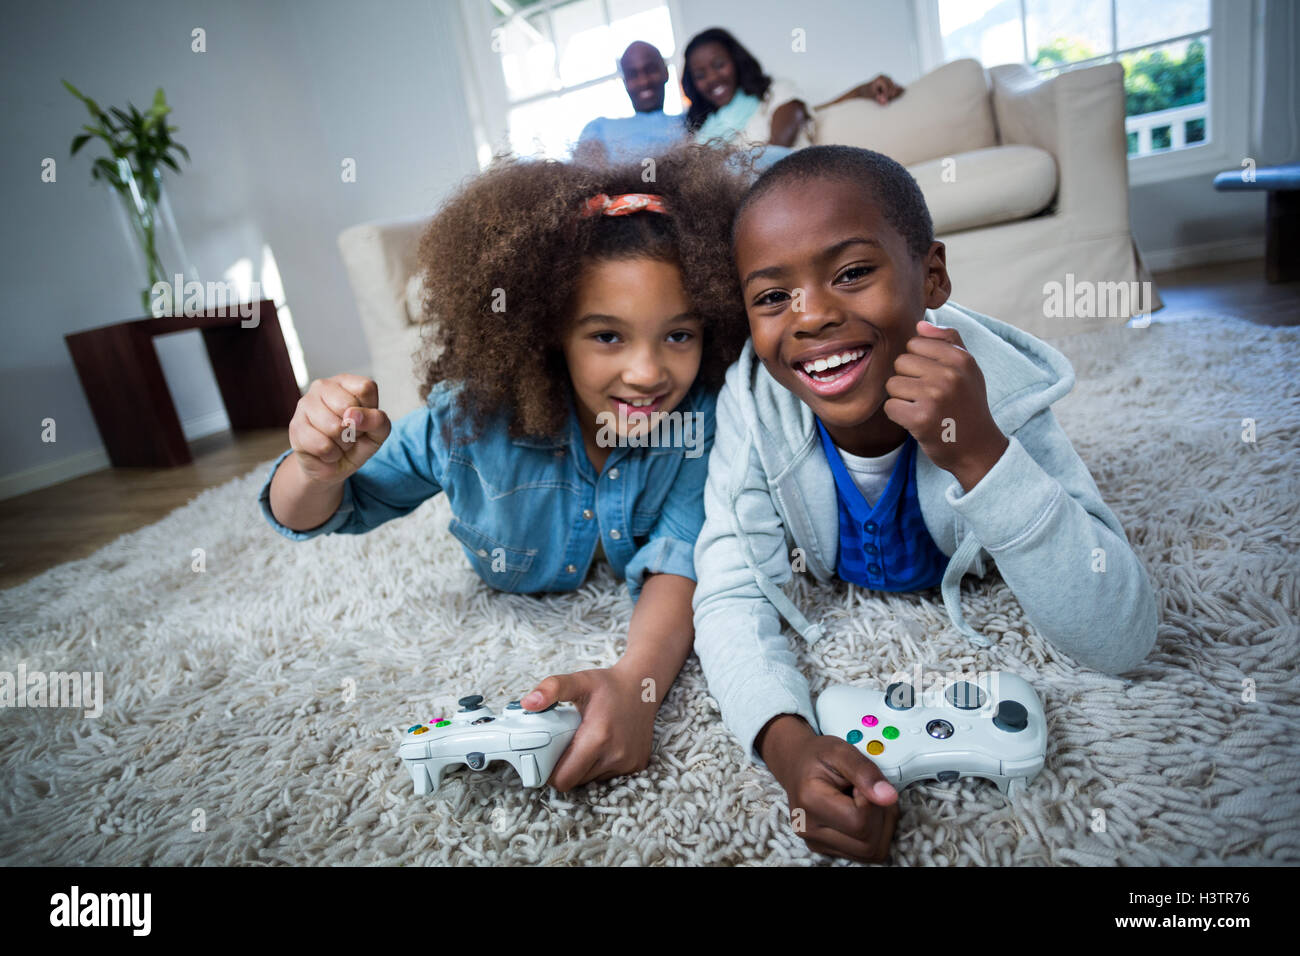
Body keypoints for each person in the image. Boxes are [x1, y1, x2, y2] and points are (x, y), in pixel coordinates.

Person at [691, 145, 1158, 863]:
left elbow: (1121, 638)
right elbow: (727, 593)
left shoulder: (995, 395)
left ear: (931, 275)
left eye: (851, 273)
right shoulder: (755, 404)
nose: (810, 316)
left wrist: (979, 452)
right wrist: (785, 744)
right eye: (772, 297)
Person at [258, 144, 751, 791]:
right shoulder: (469, 423)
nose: (648, 371)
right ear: (548, 333)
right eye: (608, 336)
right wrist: (314, 467)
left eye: (678, 335)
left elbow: (681, 561)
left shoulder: (704, 419)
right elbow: (325, 511)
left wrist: (636, 683)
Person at [683, 27, 904, 154]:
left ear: (736, 61)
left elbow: (776, 155)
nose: (712, 78)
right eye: (700, 75)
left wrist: (863, 91)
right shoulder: (700, 131)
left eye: (719, 65)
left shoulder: (774, 95)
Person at [574, 42, 685, 164]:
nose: (643, 81)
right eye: (633, 74)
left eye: (651, 70)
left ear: (666, 73)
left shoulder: (691, 120)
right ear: (625, 82)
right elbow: (587, 177)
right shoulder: (598, 128)